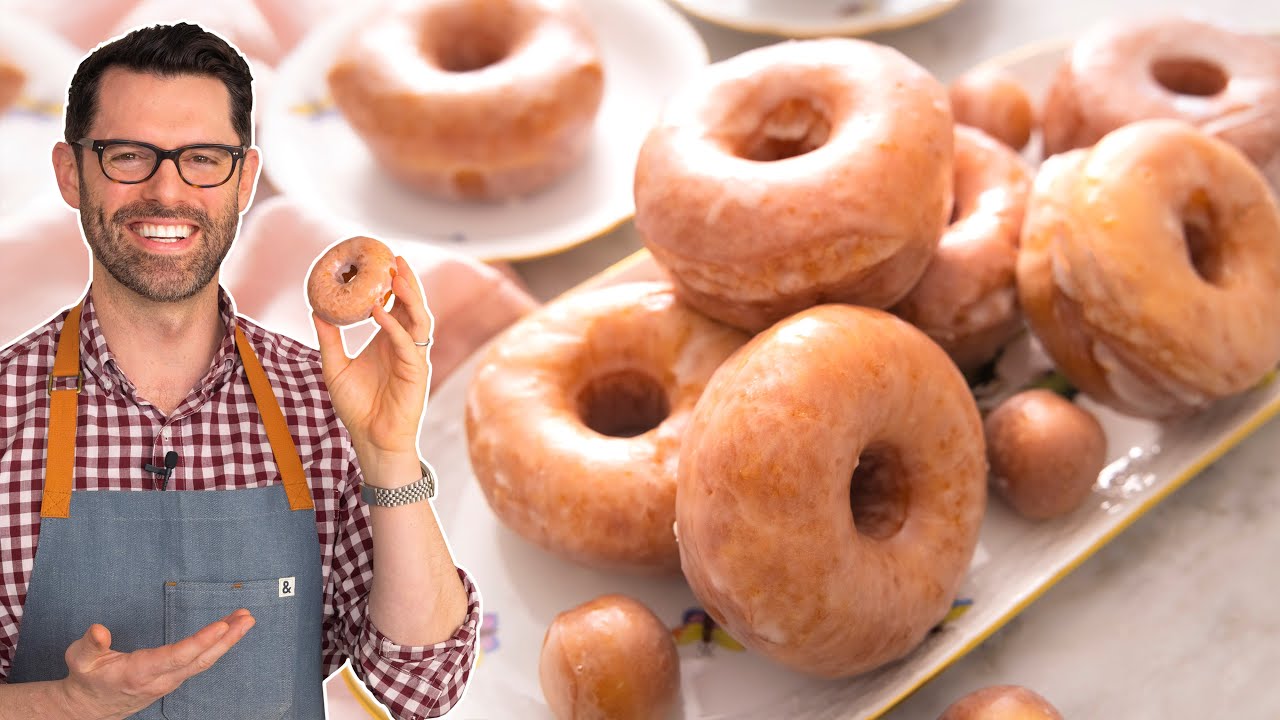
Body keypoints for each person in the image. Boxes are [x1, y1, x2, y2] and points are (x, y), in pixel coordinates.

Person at [0, 22, 479, 719]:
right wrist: (60, 704)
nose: (167, 190)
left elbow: (422, 684)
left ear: (245, 179)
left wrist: (389, 454)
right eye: (128, 155)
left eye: (203, 158)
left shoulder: (320, 402)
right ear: (72, 174)